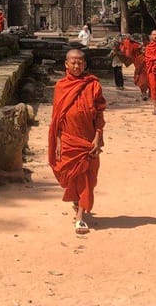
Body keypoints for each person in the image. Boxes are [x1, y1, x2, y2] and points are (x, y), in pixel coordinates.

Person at [48, 49, 107, 235]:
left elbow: (99, 114)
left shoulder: (93, 84)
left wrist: (98, 136)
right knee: (70, 175)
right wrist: (57, 141)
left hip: (87, 139)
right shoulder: (60, 86)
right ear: (66, 64)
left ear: (85, 64)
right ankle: (78, 202)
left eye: (80, 62)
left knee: (87, 177)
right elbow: (57, 117)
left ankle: (80, 217)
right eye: (73, 62)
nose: (76, 65)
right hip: (67, 138)